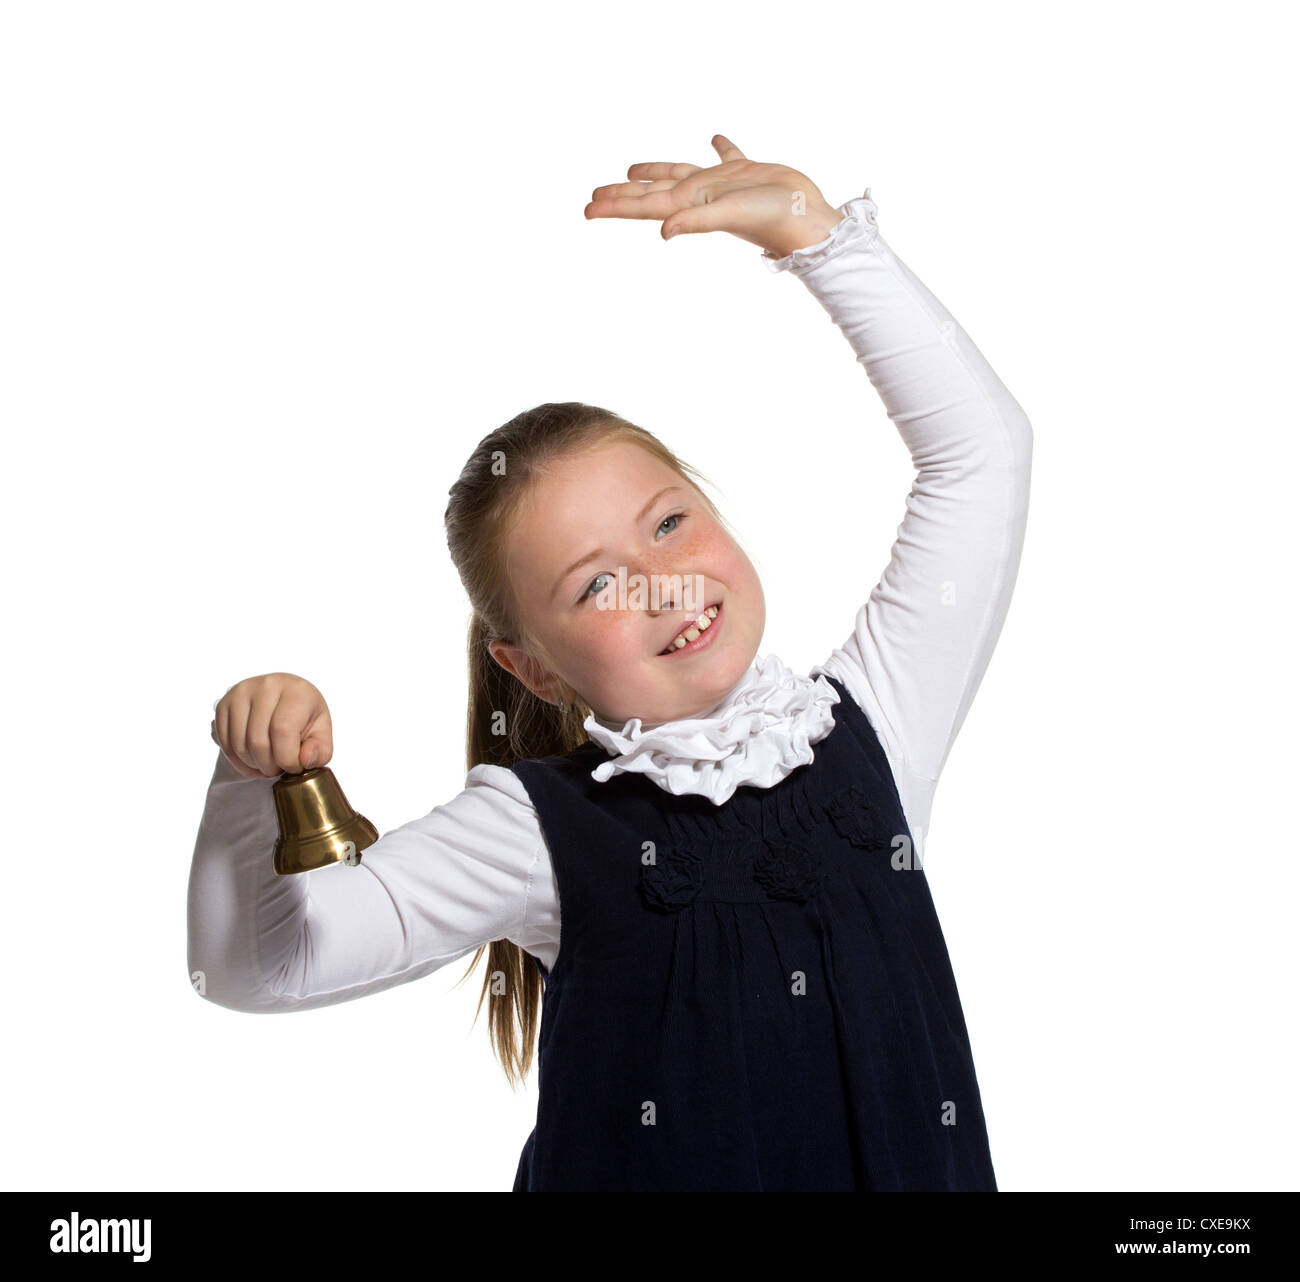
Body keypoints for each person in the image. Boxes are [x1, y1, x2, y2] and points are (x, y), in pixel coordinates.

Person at [188, 135, 1033, 1191]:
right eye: (595, 585)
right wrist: (249, 779)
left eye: (670, 523)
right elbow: (260, 968)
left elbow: (984, 457)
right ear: (533, 670)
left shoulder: (873, 724)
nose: (661, 584)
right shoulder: (532, 829)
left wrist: (818, 239)